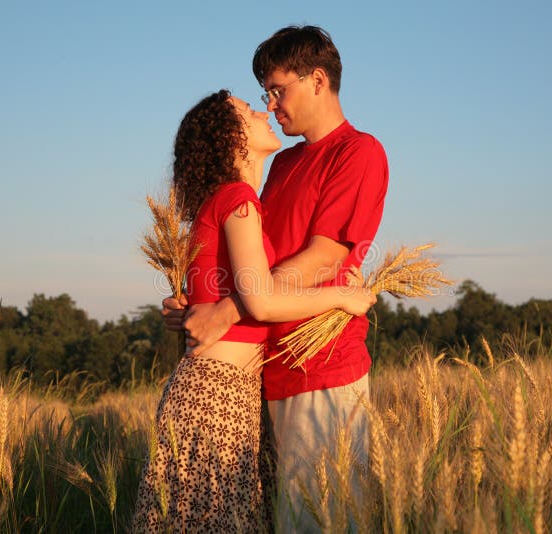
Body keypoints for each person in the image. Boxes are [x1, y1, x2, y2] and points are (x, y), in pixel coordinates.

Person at [162, 26, 389, 531]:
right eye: (264, 93)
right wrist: (199, 302)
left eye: (277, 90)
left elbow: (323, 258)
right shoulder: (282, 164)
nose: (270, 103)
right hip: (262, 371)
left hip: (322, 364)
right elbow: (250, 263)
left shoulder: (358, 152)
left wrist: (227, 311)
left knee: (319, 518)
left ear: (317, 80)